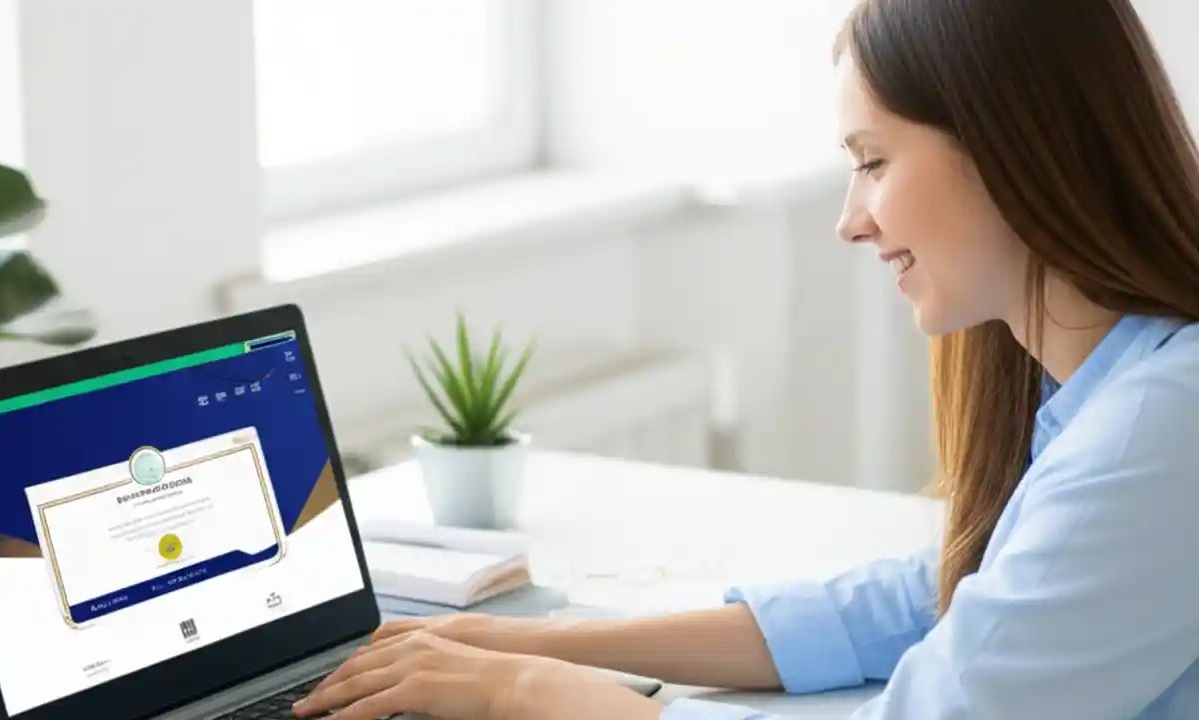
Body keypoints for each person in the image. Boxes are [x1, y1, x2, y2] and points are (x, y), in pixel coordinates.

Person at [294, 0, 1199, 717]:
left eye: (873, 162)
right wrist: (534, 645)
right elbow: (937, 597)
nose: (852, 220)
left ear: (1012, 147)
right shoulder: (1116, 393)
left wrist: (528, 697)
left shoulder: (1159, 431)